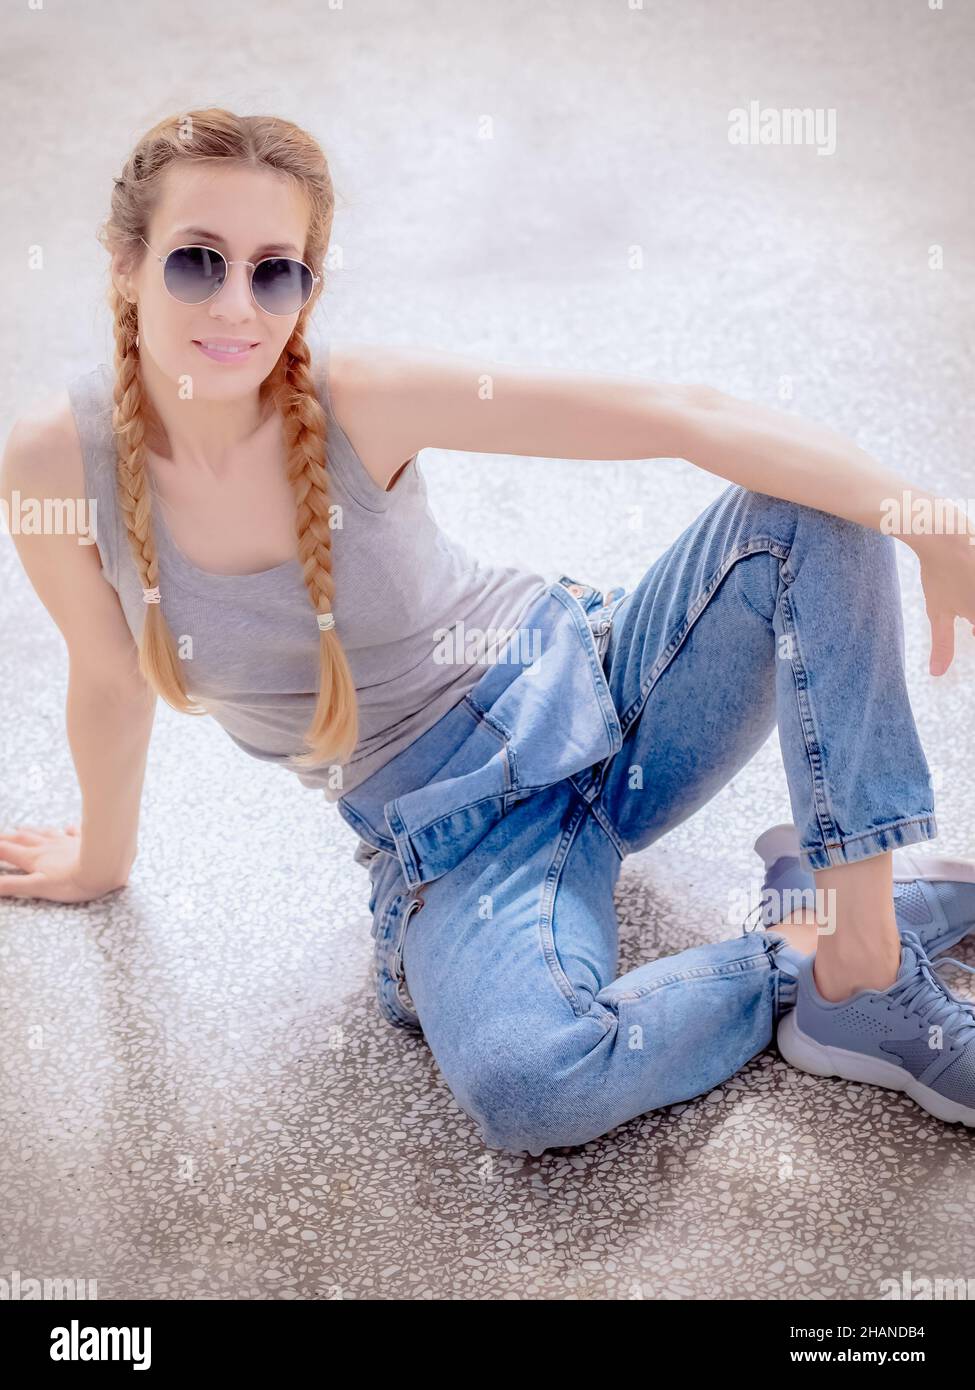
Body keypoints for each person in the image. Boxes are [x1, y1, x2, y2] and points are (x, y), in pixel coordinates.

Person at [3, 107, 975, 1157]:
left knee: (821, 511)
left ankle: (863, 966)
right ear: (124, 261)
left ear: (307, 287)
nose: (238, 304)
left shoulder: (357, 399)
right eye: (199, 261)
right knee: (531, 1083)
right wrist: (102, 861)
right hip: (455, 837)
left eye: (274, 270)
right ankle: (810, 937)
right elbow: (110, 680)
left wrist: (935, 519)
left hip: (605, 690)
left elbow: (679, 412)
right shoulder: (56, 463)